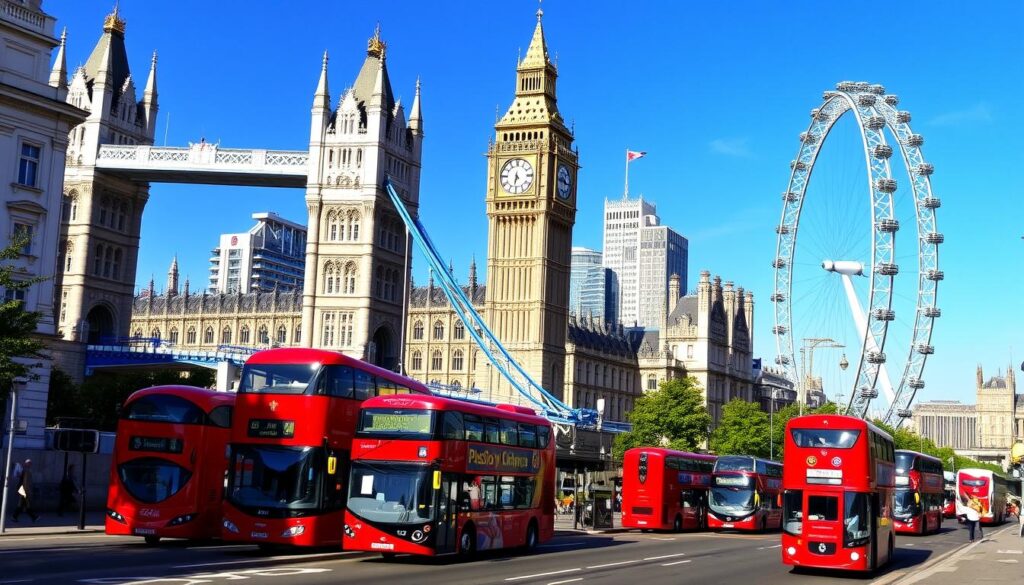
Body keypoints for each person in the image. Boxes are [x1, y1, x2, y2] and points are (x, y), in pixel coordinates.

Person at [11, 458, 39, 523]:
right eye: (29, 463)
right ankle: (33, 517)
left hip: (22, 489)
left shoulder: (24, 470)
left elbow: (21, 478)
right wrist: (27, 491)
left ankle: (15, 517)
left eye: (30, 463)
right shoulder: (25, 470)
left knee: (23, 504)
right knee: (25, 504)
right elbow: (25, 482)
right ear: (26, 464)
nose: (30, 464)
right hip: (23, 489)